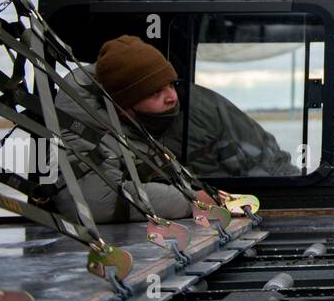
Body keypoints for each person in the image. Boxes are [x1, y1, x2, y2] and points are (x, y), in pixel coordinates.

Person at [55, 36, 296, 223]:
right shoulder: (84, 125)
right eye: (154, 92)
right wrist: (190, 202)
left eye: (170, 84)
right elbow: (94, 201)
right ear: (123, 107)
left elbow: (267, 161)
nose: (171, 97)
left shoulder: (201, 110)